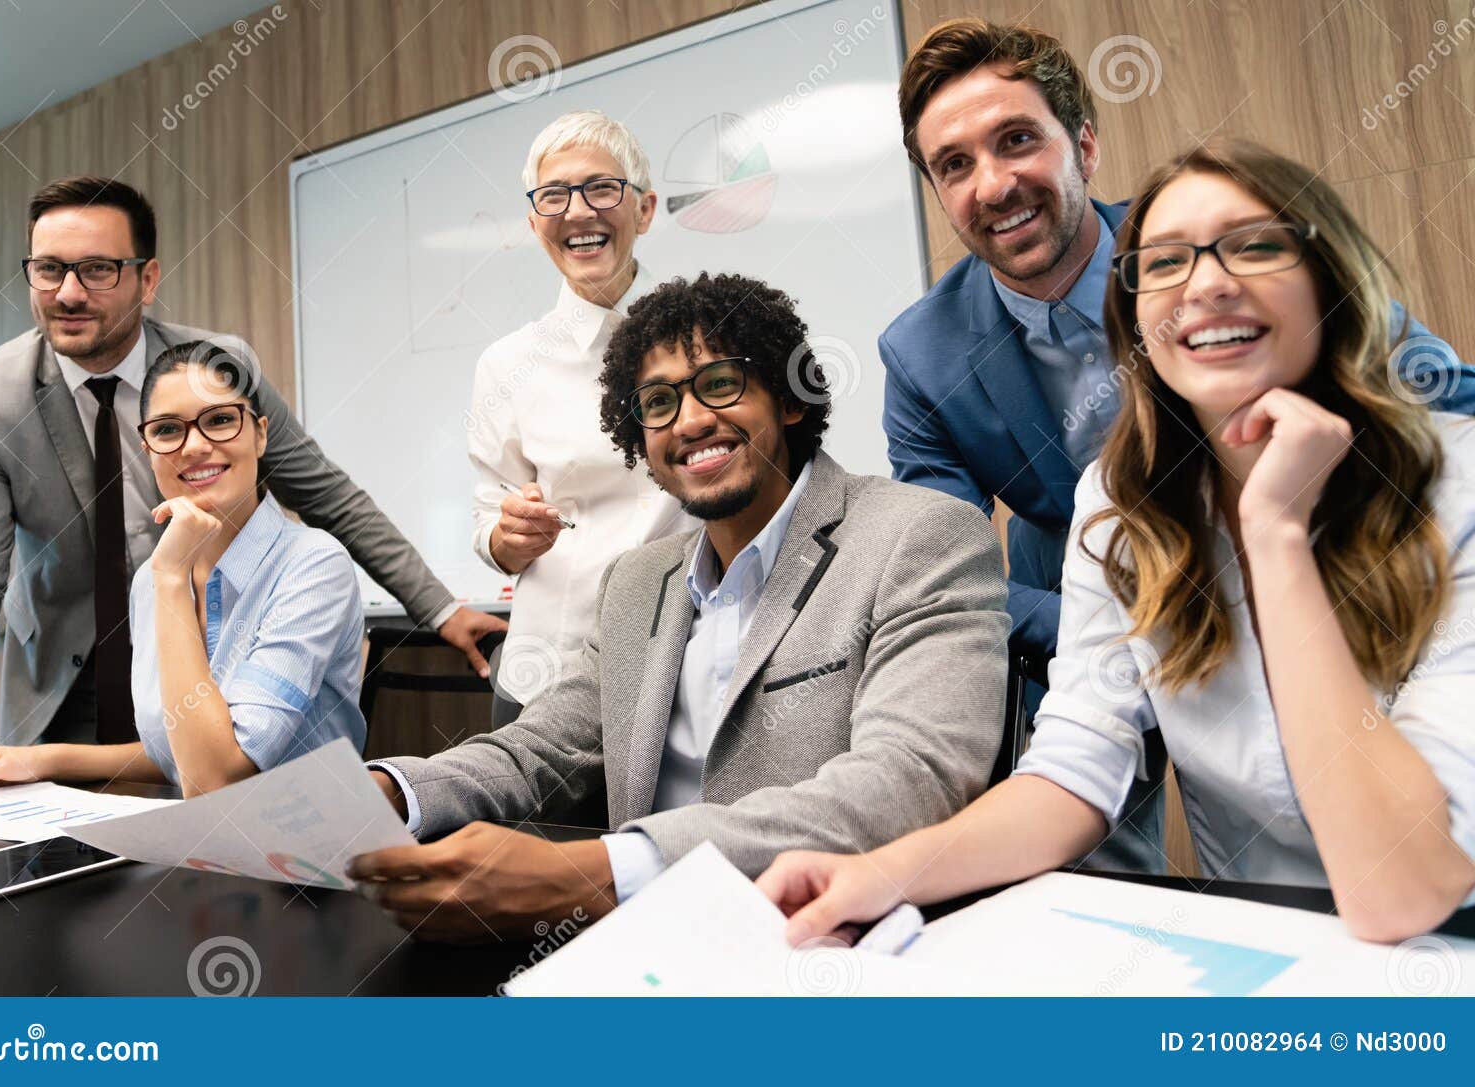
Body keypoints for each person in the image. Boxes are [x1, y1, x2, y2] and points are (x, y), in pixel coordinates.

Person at [759, 137, 1475, 946]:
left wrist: (1275, 535)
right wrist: (881, 873)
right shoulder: (1121, 501)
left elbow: (1400, 887)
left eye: (1253, 246)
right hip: (1273, 944)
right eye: (1165, 263)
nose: (1206, 284)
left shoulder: (1460, 487)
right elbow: (1073, 770)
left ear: (1330, 281)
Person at [876, 16, 1471, 870]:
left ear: (1085, 145)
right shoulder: (920, 353)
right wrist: (1134, 623)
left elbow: (1429, 390)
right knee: (1085, 839)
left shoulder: (1212, 253)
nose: (995, 184)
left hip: (1321, 556)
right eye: (955, 165)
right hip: (1082, 592)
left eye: (1018, 140)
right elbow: (943, 573)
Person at [346, 273, 1009, 942]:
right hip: (639, 946)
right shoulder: (637, 581)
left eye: (720, 383)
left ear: (788, 400)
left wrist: (602, 871)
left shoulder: (919, 537)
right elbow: (545, 748)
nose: (690, 421)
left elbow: (910, 780)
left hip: (817, 945)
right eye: (659, 402)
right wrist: (397, 789)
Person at [0, 176, 503, 808]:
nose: (68, 293)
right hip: (63, 695)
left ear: (147, 279)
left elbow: (326, 494)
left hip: (221, 676)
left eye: (97, 269)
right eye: (49, 269)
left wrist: (439, 608)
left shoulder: (215, 371)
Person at [0, 342, 365, 795]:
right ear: (147, 450)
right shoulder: (154, 579)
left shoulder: (312, 567)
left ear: (260, 435)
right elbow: (180, 754)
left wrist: (170, 580)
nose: (195, 446)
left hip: (299, 833)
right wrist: (40, 760)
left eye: (220, 420)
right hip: (195, 835)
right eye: (167, 430)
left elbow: (214, 778)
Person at [470, 110, 692, 726]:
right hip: (546, 678)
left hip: (685, 670)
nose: (577, 211)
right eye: (553, 195)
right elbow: (489, 523)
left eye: (601, 188)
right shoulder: (506, 365)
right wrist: (506, 538)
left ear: (644, 210)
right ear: (534, 222)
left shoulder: (708, 338)